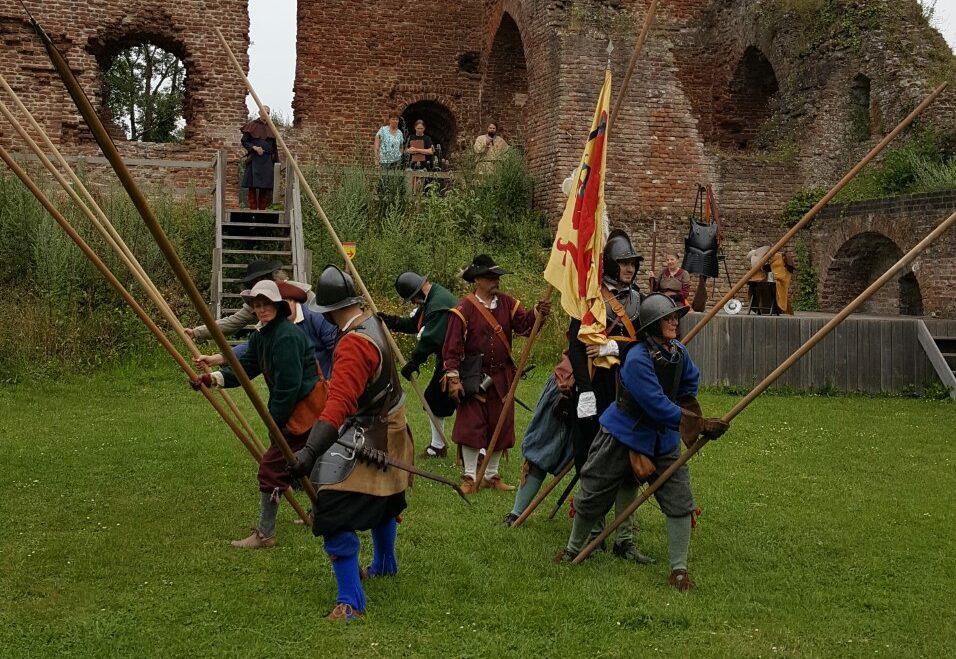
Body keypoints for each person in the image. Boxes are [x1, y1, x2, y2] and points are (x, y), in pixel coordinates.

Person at [555, 294, 729, 591]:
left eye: (676, 317)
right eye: (668, 318)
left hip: (663, 438)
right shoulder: (636, 358)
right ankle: (573, 548)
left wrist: (690, 412)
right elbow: (656, 403)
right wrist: (696, 425)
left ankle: (678, 571)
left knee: (679, 500)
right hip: (623, 432)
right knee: (594, 491)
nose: (675, 322)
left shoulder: (679, 353)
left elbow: (688, 384)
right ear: (652, 325)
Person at [288, 265, 415, 620]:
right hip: (391, 429)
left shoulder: (354, 344)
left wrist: (310, 452)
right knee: (385, 500)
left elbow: (336, 408)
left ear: (328, 311)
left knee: (333, 512)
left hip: (370, 436)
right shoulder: (374, 323)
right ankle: (385, 564)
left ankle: (351, 602)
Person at [192, 280, 327, 548]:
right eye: (257, 305)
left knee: (272, 469)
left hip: (305, 412)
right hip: (295, 412)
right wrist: (213, 379)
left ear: (277, 305)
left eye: (266, 304)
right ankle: (320, 516)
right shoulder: (263, 335)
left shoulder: (287, 336)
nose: (262, 309)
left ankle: (266, 534)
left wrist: (275, 422)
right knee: (304, 465)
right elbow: (245, 369)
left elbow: (289, 387)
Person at [560, 230, 653, 563]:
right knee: (592, 460)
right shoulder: (588, 298)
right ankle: (595, 532)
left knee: (629, 462)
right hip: (595, 387)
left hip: (628, 389)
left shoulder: (640, 301)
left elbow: (648, 345)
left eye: (633, 263)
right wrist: (583, 389)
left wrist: (617, 346)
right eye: (624, 262)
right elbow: (575, 344)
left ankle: (624, 538)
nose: (629, 268)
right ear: (611, 264)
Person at [441, 254, 551, 493]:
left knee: (500, 425)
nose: (495, 281)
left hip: (502, 376)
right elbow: (452, 346)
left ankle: (491, 475)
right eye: (490, 277)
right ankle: (470, 477)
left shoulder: (508, 304)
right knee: (472, 425)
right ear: (477, 280)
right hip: (473, 377)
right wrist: (453, 377)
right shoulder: (463, 309)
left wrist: (537, 312)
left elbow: (524, 326)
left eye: (496, 277)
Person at [379, 271, 458, 458]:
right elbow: (415, 324)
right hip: (451, 357)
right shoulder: (432, 297)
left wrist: (414, 361)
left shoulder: (438, 305)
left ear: (419, 292)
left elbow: (431, 340)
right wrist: (392, 321)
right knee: (435, 399)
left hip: (460, 359)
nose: (414, 303)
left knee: (453, 401)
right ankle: (439, 447)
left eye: (413, 299)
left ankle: (459, 449)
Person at [186, 260, 313, 342]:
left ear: (272, 278)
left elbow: (323, 318)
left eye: (263, 280)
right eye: (255, 283)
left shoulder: (301, 293)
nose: (263, 308)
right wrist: (197, 332)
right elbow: (231, 323)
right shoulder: (256, 303)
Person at [241, 105, 278, 211]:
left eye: (268, 113)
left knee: (265, 187)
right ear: (260, 113)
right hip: (255, 159)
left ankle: (262, 210)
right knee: (252, 186)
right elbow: (244, 141)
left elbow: (274, 147)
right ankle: (253, 209)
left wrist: (276, 161)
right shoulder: (252, 125)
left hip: (267, 160)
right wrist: (254, 147)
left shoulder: (271, 127)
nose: (267, 114)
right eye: (265, 112)